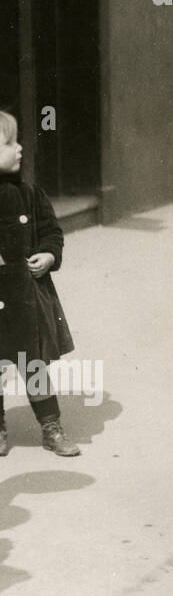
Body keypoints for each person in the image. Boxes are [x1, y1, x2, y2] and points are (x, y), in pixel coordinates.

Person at [0, 110, 80, 457]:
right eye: (9, 142)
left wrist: (48, 255)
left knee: (33, 363)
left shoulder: (30, 193)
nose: (20, 148)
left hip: (27, 297)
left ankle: (50, 426)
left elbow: (52, 232)